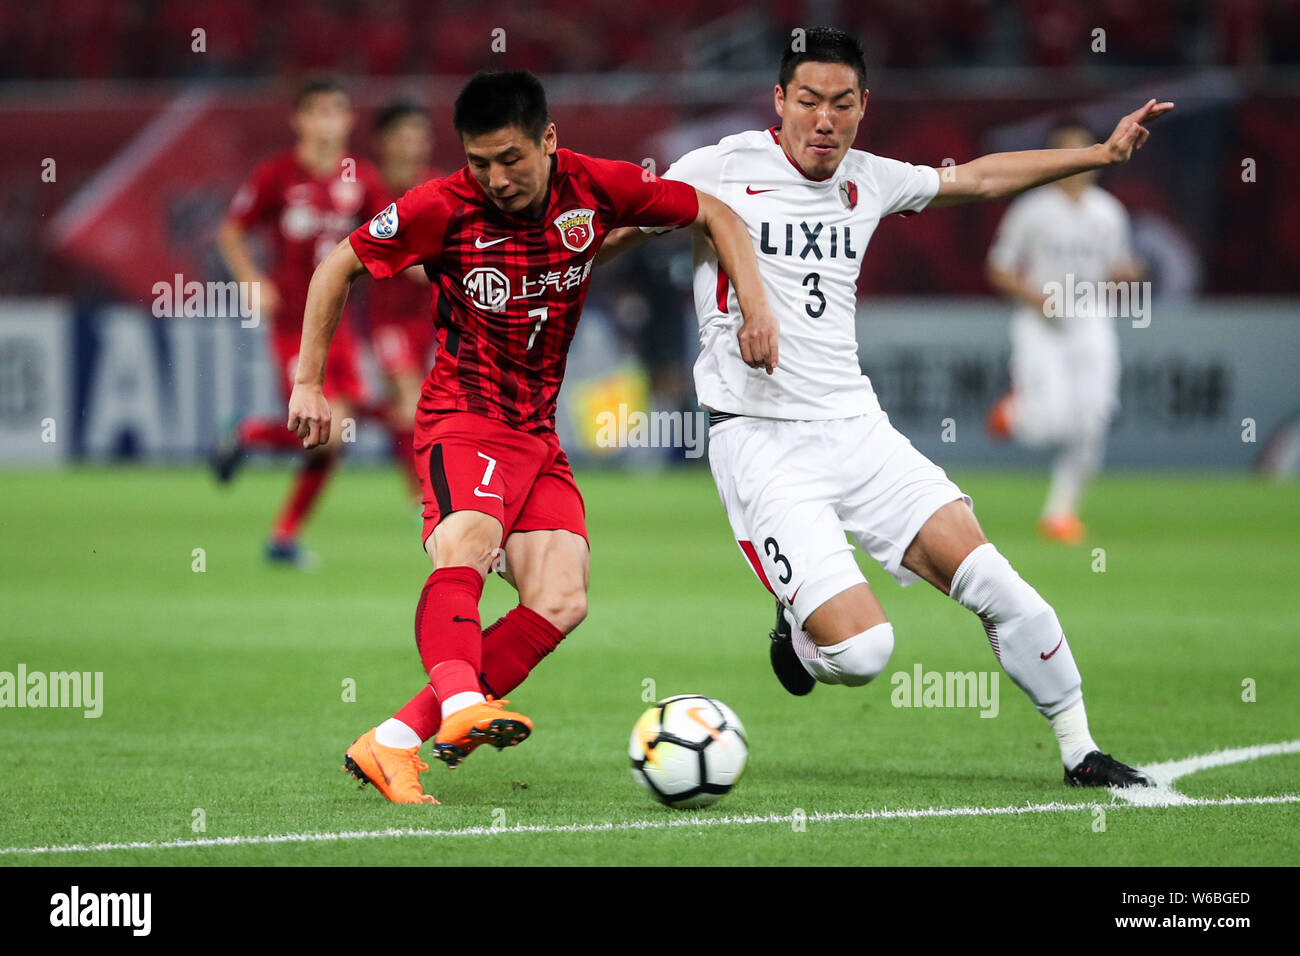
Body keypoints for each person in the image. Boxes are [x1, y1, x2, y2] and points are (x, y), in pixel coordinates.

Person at [599, 28, 1172, 787]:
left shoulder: (869, 178)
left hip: (859, 431)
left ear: (864, 106)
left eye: (842, 104)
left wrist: (1097, 155)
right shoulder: (718, 167)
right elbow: (623, 227)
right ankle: (801, 632)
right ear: (779, 100)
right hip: (761, 442)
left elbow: (978, 179)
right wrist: (540, 268)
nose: (824, 120)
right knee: (865, 654)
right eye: (809, 101)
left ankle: (1080, 750)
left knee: (1002, 587)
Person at [289, 71, 778, 804]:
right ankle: (463, 704)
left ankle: (391, 741)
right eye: (479, 162)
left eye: (511, 159)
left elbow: (714, 212)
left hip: (537, 431)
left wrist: (755, 308)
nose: (496, 178)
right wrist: (308, 382)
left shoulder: (595, 186)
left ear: (548, 139)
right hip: (463, 416)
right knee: (467, 541)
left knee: (560, 598)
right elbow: (337, 267)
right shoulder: (441, 206)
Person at [213, 77, 389, 567]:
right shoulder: (277, 175)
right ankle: (249, 439)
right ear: (300, 120)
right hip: (294, 324)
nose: (328, 121)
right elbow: (231, 231)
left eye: (337, 111)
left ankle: (282, 533)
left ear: (349, 120)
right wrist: (251, 280)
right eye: (318, 111)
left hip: (341, 325)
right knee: (326, 429)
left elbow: (395, 234)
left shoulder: (362, 179)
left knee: (335, 433)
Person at [985, 118, 1144, 544]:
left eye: (1083, 151)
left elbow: (1119, 270)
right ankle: (1014, 414)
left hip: (1090, 317)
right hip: (1040, 322)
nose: (1078, 162)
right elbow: (999, 268)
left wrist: (1129, 275)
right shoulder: (1032, 209)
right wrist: (1036, 297)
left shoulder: (1108, 211)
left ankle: (1060, 513)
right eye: (1067, 151)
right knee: (1048, 424)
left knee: (1094, 416)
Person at [367, 101, 439, 499]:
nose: (415, 146)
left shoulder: (438, 188)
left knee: (416, 408)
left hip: (435, 317)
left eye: (420, 137)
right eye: (405, 137)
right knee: (412, 403)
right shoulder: (369, 191)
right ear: (385, 142)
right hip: (389, 319)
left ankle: (351, 409)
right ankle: (422, 498)